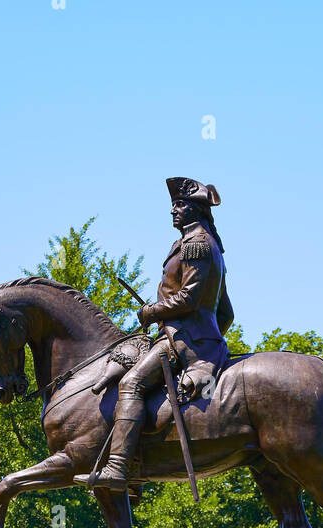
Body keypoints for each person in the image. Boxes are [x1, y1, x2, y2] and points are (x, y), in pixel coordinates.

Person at [91, 176, 234, 491]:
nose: (173, 211)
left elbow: (189, 299)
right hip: (186, 337)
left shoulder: (196, 244)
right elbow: (226, 313)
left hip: (181, 338)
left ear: (196, 209)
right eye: (172, 205)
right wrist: (206, 341)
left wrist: (151, 313)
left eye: (180, 205)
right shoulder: (204, 244)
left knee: (131, 383)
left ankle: (117, 468)